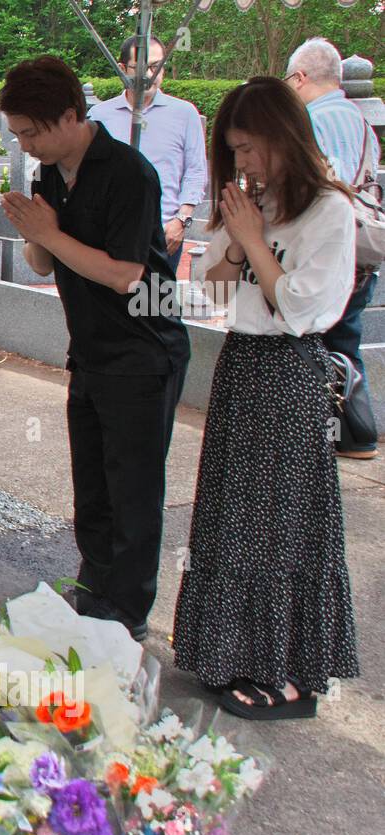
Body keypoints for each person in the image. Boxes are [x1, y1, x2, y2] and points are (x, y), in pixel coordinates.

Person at [173, 77, 359, 720]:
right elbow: (211, 291)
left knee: (281, 523)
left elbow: (305, 307)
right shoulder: (259, 203)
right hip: (244, 364)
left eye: (251, 148)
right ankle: (229, 653)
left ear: (285, 138)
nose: (244, 162)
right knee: (233, 513)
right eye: (235, 151)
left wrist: (252, 239)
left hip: (290, 371)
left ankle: (289, 675)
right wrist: (234, 238)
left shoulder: (329, 210)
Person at [0, 56, 191, 640]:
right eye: (18, 135)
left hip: (142, 348)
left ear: (69, 115)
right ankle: (92, 593)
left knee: (132, 489)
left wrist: (49, 233)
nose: (26, 145)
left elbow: (126, 274)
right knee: (92, 485)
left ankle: (125, 613)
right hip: (90, 349)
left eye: (32, 131)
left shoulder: (127, 172)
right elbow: (41, 261)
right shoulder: (52, 172)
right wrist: (36, 235)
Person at [285, 36, 380, 459]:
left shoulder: (311, 121)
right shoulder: (361, 123)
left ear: (301, 77)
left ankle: (321, 439)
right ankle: (356, 433)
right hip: (362, 258)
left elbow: (322, 192)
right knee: (346, 349)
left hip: (326, 259)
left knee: (314, 355)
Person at [89, 35, 207, 275]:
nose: (149, 75)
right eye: (140, 68)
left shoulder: (185, 114)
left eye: (156, 66)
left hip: (164, 234)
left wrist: (181, 220)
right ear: (122, 69)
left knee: (155, 307)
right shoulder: (100, 116)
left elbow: (195, 170)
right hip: (110, 234)